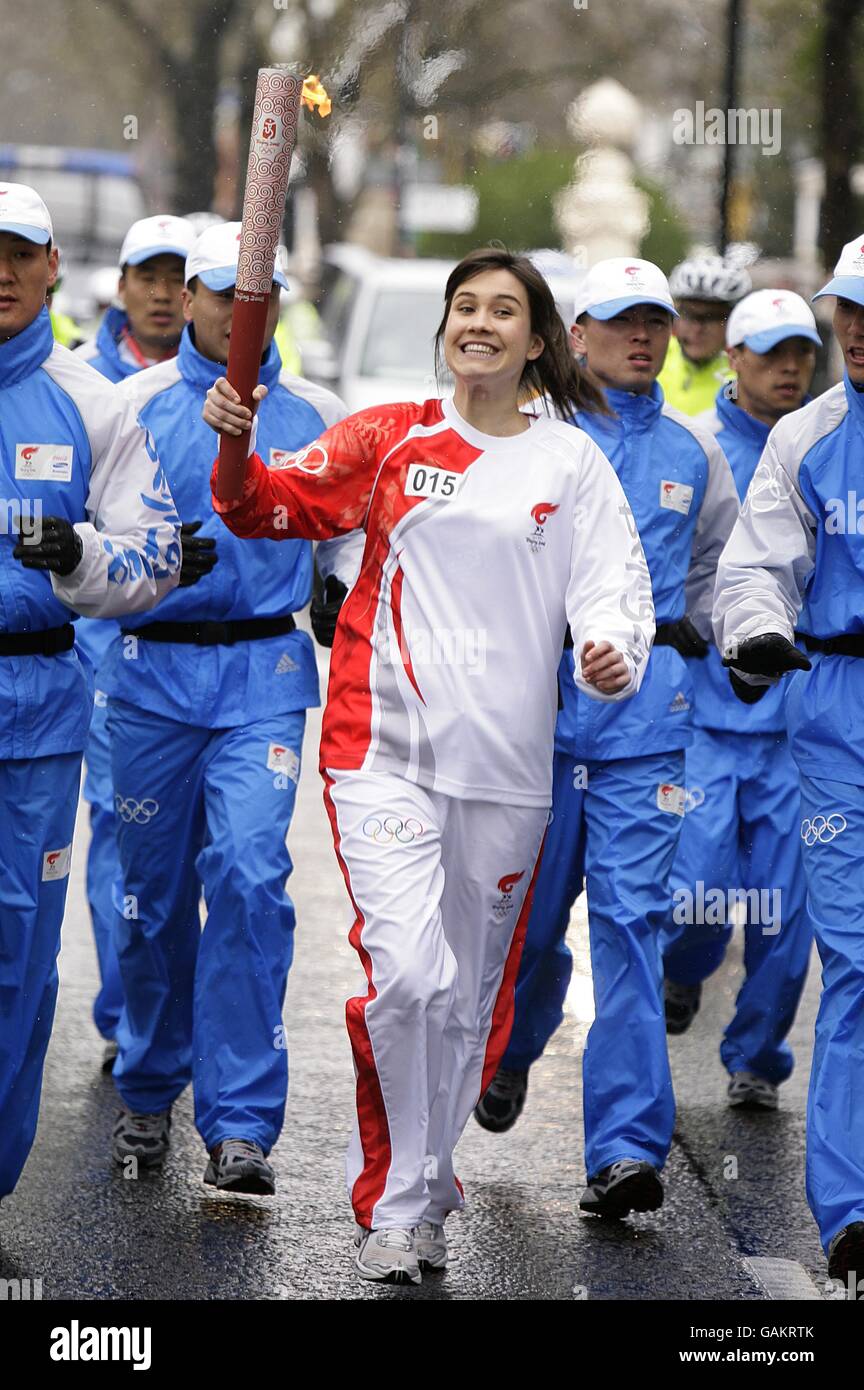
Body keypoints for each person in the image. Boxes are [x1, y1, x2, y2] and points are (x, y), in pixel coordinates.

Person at [203, 246, 656, 1284]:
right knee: (408, 976)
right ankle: (397, 1205)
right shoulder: (390, 437)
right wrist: (233, 448)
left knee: (463, 1003)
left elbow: (613, 592)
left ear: (537, 340)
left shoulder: (569, 463)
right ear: (446, 328)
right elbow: (263, 505)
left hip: (505, 769)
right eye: (465, 307)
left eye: (503, 310)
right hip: (384, 751)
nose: (479, 324)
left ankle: (423, 1181)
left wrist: (609, 653)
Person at [476, 258, 739, 1221]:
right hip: (535, 727)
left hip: (645, 729)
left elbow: (717, 570)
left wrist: (719, 634)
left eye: (655, 323)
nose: (643, 337)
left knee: (631, 928)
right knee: (530, 925)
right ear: (576, 335)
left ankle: (625, 1149)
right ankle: (509, 1050)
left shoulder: (693, 452)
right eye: (622, 321)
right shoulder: (533, 438)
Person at [104, 222, 349, 1197]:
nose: (243, 312)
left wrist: (337, 582)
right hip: (151, 679)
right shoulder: (131, 406)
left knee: (250, 875)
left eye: (261, 295)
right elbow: (95, 532)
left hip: (261, 677)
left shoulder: (317, 412)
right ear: (194, 300)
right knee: (152, 899)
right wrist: (149, 559)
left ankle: (240, 1121)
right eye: (223, 293)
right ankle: (148, 1083)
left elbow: (348, 527)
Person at [0, 182, 181, 1204]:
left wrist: (79, 556)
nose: (1, 273)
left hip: (34, 708)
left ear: (52, 267)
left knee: (14, 952)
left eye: (18, 254)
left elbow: (153, 556)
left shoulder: (93, 403)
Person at [714, 235, 864, 1290]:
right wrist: (760, 628)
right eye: (848, 309)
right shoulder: (807, 436)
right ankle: (853, 1216)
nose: (856, 329)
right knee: (857, 961)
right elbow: (756, 565)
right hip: (839, 709)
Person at [661, 291, 819, 1110]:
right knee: (698, 891)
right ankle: (683, 970)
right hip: (706, 718)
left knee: (786, 917)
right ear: (735, 357)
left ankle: (757, 1056)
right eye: (772, 353)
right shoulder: (695, 447)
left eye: (802, 353)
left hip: (797, 723)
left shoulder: (827, 444)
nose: (790, 368)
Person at [74, 215, 196, 1070]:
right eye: (147, 277)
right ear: (120, 287)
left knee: (187, 852)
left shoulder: (226, 380)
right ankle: (128, 1016)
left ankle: (164, 1011)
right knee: (118, 826)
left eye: (176, 279)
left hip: (200, 652)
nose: (161, 294)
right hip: (99, 644)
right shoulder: (80, 381)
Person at [659, 255, 751, 415]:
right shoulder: (657, 355)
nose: (697, 329)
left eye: (712, 317)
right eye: (688, 314)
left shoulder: (745, 375)